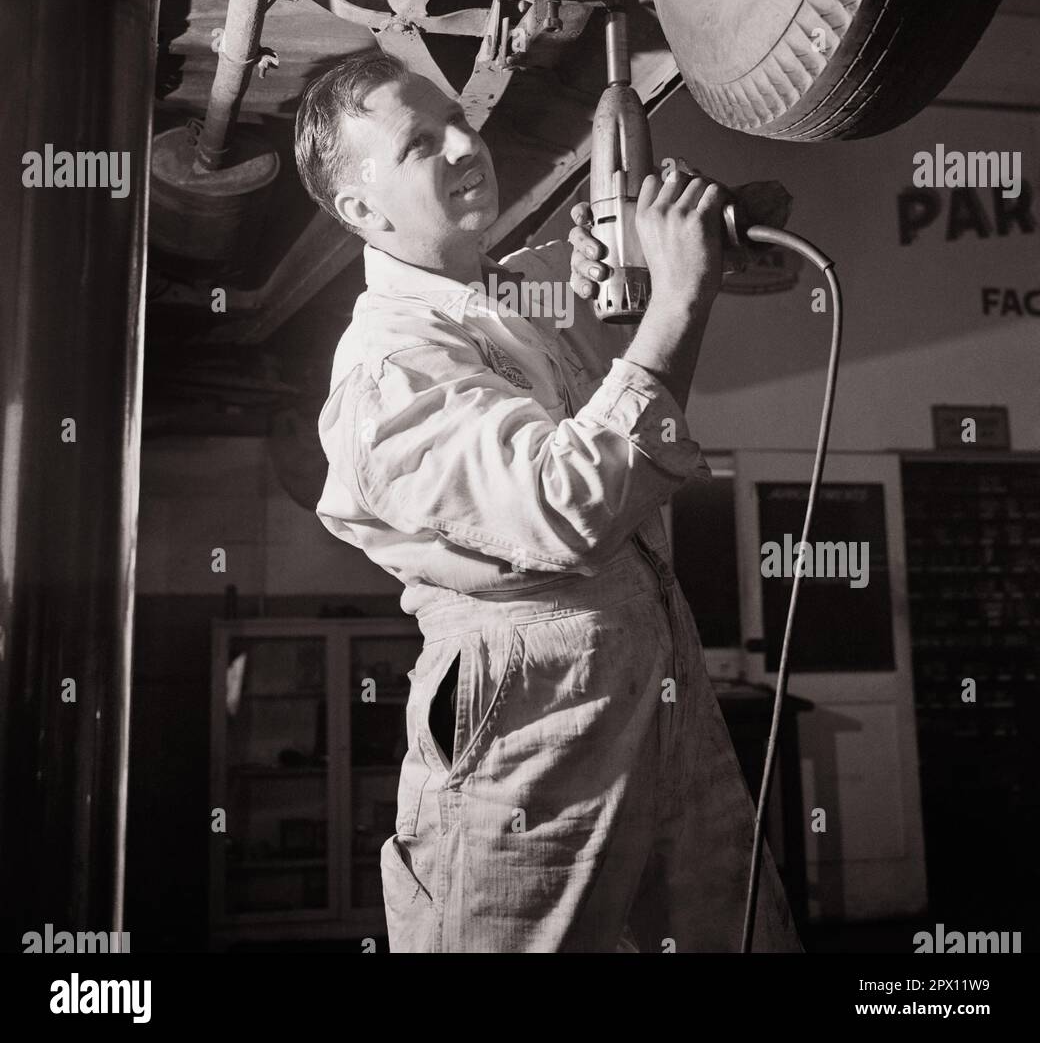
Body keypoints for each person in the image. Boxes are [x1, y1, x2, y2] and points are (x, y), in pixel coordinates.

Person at [294, 48, 801, 953]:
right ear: (361, 210)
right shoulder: (389, 366)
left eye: (458, 117)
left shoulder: (505, 301)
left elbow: (603, 332)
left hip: (659, 687)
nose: (464, 142)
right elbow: (565, 506)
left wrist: (673, 247)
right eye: (421, 143)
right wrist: (678, 295)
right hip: (525, 718)